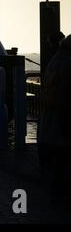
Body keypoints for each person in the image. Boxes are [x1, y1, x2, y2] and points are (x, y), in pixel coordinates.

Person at [38, 34, 71, 206]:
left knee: (59, 161)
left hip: (50, 119)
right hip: (63, 121)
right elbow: (66, 95)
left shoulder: (55, 60)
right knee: (64, 160)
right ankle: (61, 196)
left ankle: (56, 194)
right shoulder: (68, 64)